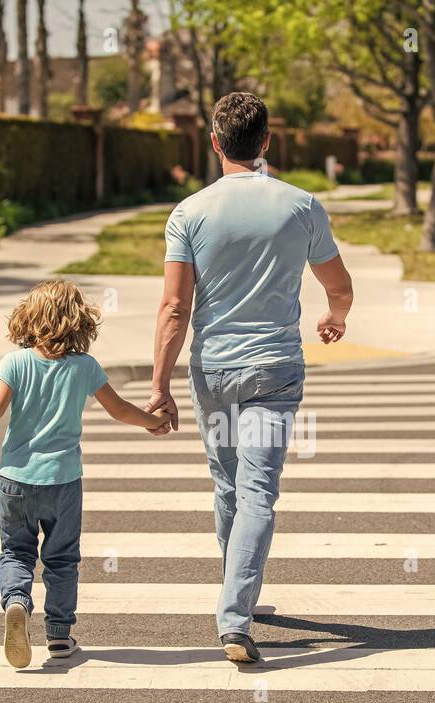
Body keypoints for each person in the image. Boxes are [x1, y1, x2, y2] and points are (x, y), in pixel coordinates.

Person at [146, 91, 355, 663]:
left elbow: (173, 310)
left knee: (228, 486)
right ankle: (235, 615)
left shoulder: (188, 213)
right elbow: (339, 287)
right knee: (259, 491)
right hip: (276, 368)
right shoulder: (302, 206)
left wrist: (158, 386)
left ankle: (237, 593)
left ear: (214, 142)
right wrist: (334, 318)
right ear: (266, 142)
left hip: (213, 370)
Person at [0, 279, 170, 668]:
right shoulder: (85, 367)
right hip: (63, 481)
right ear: (80, 322)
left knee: (16, 551)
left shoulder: (15, 362)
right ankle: (59, 635)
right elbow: (120, 409)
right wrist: (152, 422)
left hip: (16, 481)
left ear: (28, 317)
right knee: (61, 559)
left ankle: (17, 603)